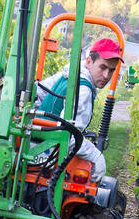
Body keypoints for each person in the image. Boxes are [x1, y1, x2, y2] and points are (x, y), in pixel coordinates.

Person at [34, 37, 122, 179]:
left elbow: (38, 94)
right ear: (89, 61)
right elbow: (69, 138)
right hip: (45, 151)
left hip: (35, 142)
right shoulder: (83, 90)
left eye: (111, 70)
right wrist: (97, 156)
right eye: (103, 67)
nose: (106, 75)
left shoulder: (68, 75)